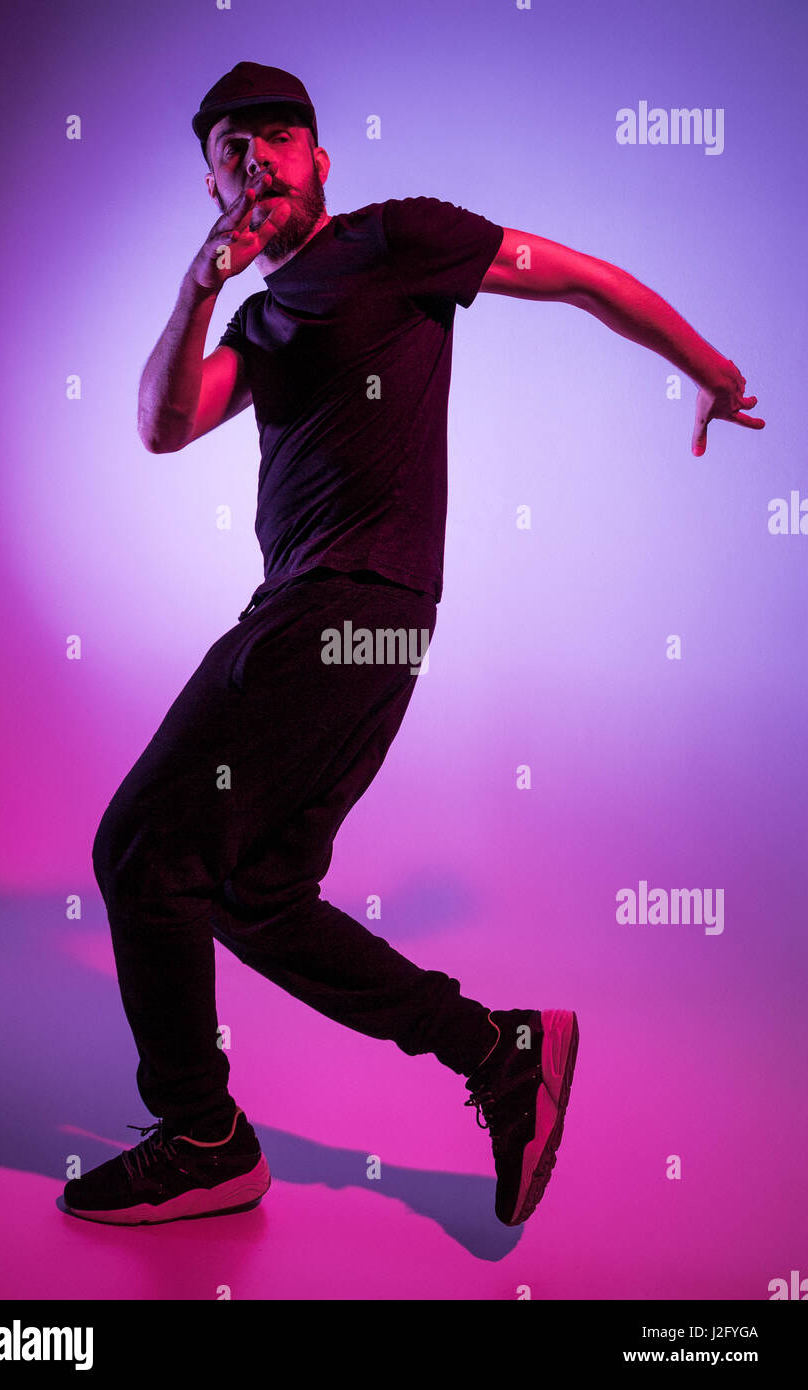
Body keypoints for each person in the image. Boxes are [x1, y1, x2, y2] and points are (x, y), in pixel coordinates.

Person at [61, 62, 764, 1229]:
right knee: (254, 891)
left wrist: (700, 368)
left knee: (141, 846)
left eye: (278, 140)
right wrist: (195, 289)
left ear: (320, 160)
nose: (256, 164)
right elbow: (163, 423)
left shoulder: (397, 239)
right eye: (233, 152)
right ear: (210, 183)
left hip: (345, 605)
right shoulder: (253, 315)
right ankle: (497, 1051)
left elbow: (581, 280)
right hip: (338, 617)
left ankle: (200, 1137)